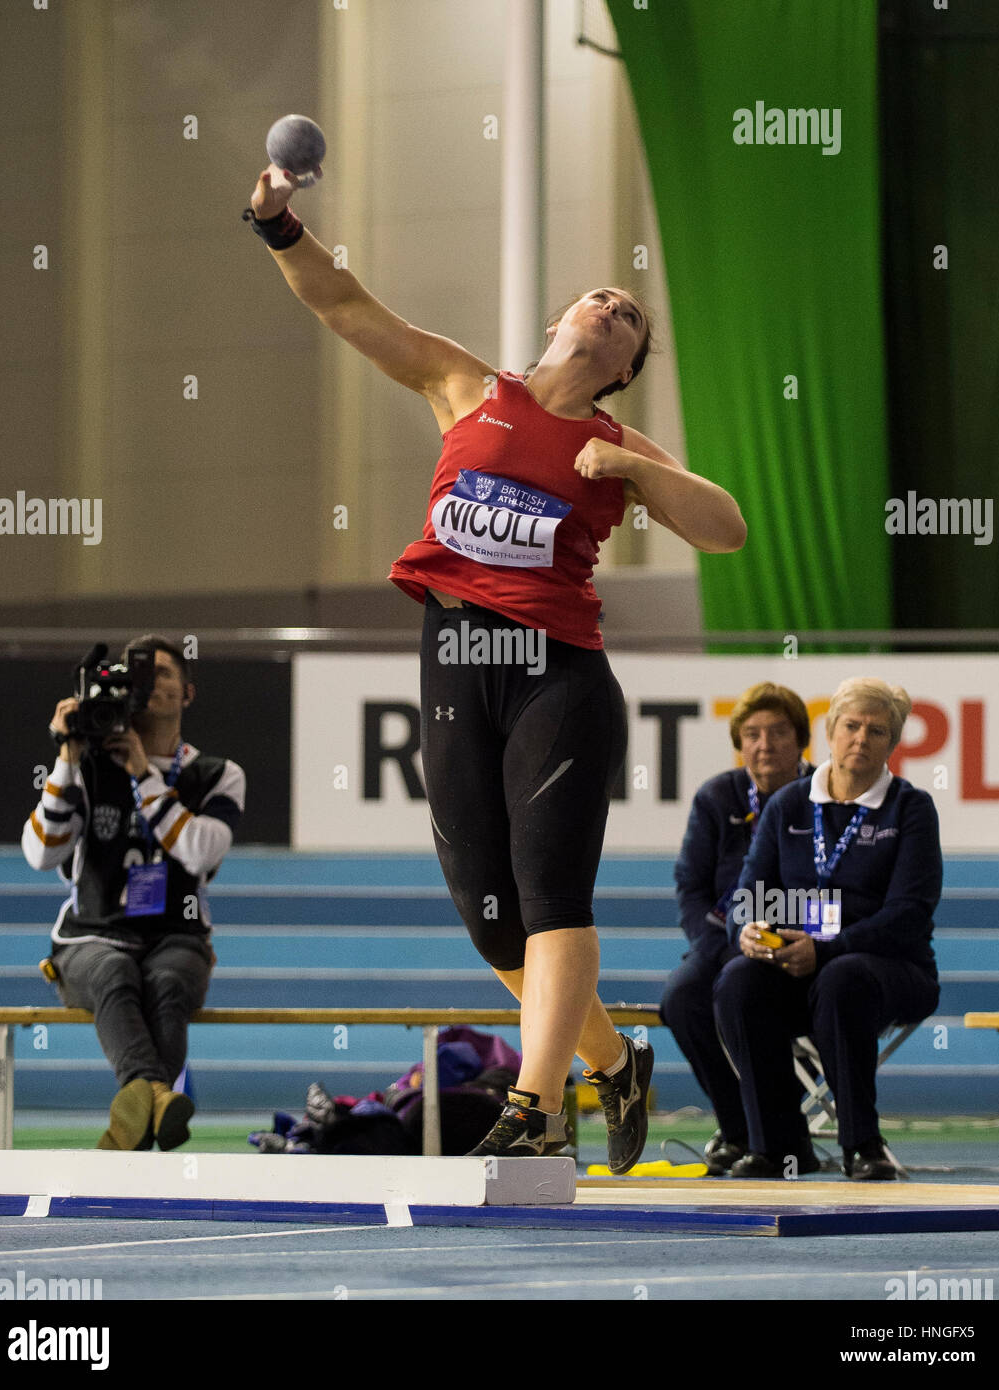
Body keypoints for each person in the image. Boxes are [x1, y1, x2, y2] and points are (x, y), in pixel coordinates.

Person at [245, 166, 746, 1169]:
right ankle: (615, 1060)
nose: (611, 307)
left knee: (550, 891)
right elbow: (344, 304)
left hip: (556, 672)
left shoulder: (610, 440)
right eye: (600, 297)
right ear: (564, 319)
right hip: (452, 654)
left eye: (630, 318)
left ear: (624, 365)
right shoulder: (464, 387)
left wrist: (640, 472)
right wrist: (274, 223)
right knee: (489, 918)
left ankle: (536, 1105)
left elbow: (724, 528)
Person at [22, 635, 245, 1151]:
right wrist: (65, 762)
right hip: (90, 938)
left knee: (168, 981)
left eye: (162, 673)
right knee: (114, 971)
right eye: (137, 675)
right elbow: (40, 854)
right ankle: (159, 1098)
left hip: (177, 935)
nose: (149, 684)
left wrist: (144, 775)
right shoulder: (88, 764)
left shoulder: (216, 774)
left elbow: (199, 851)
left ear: (187, 693)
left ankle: (136, 1115)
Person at [714, 678, 941, 1180]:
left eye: (876, 731)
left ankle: (862, 1143)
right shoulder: (790, 805)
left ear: (893, 743)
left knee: (843, 979)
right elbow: (745, 896)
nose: (861, 739)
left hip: (890, 970)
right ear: (830, 731)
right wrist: (746, 931)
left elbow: (909, 913)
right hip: (798, 966)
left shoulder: (911, 809)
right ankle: (776, 1144)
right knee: (737, 981)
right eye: (851, 726)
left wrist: (828, 948)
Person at [660, 682, 812, 1174]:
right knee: (682, 997)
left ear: (802, 739)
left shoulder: (822, 796)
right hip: (728, 942)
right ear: (739, 743)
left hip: (796, 945)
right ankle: (739, 1126)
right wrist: (719, 944)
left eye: (777, 732)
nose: (764, 744)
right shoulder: (717, 796)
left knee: (740, 990)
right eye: (752, 734)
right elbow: (690, 884)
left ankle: (773, 1133)